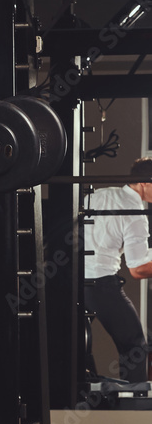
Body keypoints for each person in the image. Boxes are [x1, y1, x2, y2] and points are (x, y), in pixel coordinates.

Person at [84, 158, 152, 384]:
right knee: (135, 346)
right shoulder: (136, 214)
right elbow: (138, 269)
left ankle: (77, 390)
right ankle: (136, 407)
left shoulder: (100, 195)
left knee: (73, 343)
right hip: (101, 285)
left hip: (73, 282)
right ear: (145, 183)